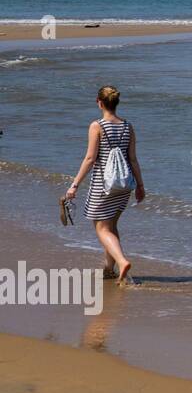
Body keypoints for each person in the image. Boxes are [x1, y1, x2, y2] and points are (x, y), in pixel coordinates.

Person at [64, 86, 146, 285]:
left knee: (102, 228)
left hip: (104, 185)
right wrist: (140, 186)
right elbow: (133, 159)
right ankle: (109, 269)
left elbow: (91, 158)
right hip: (124, 185)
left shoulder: (97, 126)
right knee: (111, 226)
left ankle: (122, 261)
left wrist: (74, 185)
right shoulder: (128, 126)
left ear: (99, 103)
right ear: (116, 103)